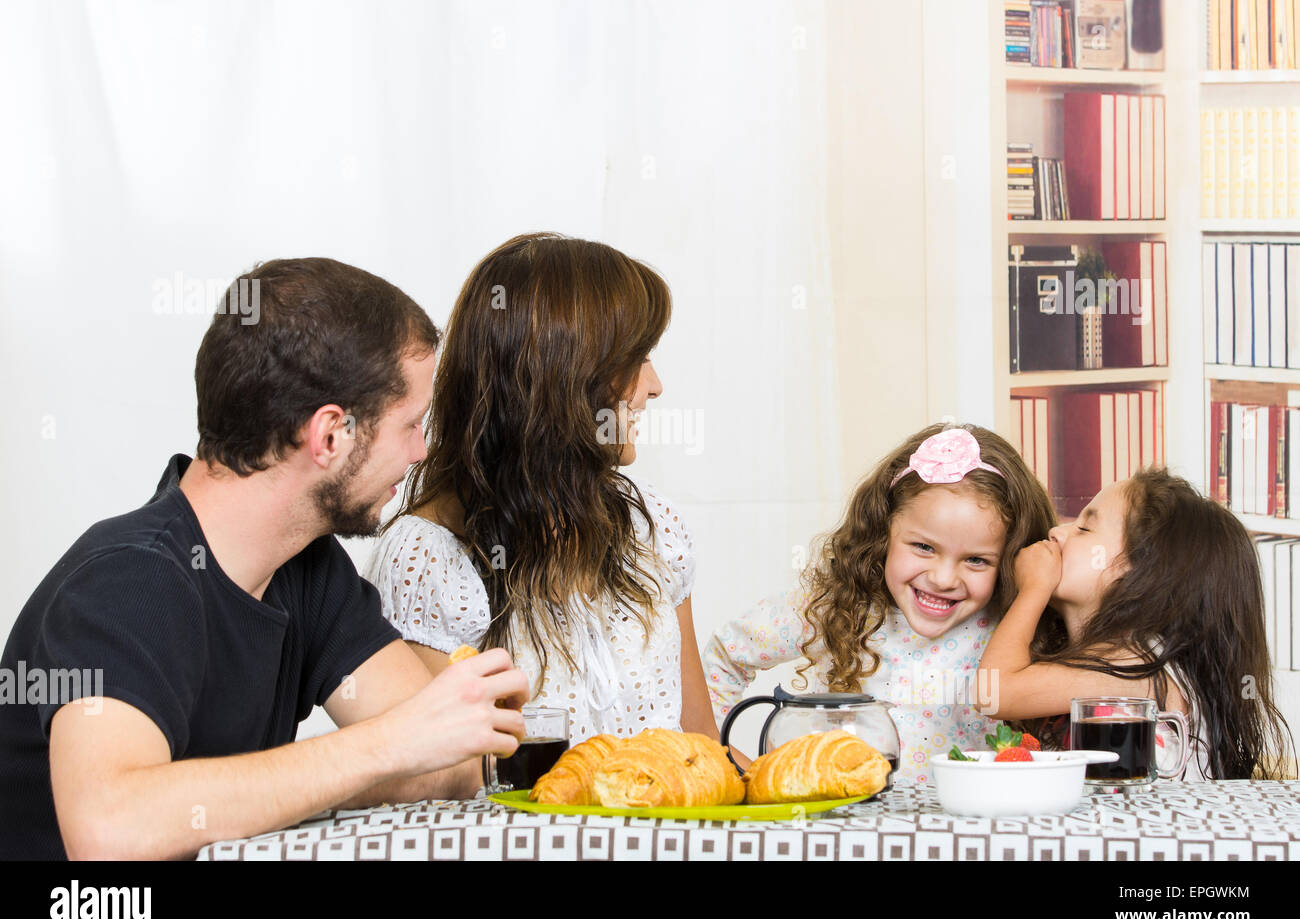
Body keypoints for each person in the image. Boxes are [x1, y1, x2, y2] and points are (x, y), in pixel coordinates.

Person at [0, 258, 529, 860]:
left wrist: (436, 738)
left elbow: (446, 759)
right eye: (411, 424)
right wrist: (387, 746)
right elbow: (110, 834)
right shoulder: (128, 581)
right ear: (330, 436)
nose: (421, 450)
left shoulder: (307, 569)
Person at [365, 232, 713, 743]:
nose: (654, 384)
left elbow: (700, 742)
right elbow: (448, 781)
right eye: (635, 357)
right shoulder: (427, 560)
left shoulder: (650, 526)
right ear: (564, 374)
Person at [703, 423, 1058, 784]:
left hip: (968, 835)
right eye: (924, 547)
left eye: (976, 560)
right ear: (882, 531)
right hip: (842, 832)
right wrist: (737, 771)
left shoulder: (1013, 628)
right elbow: (723, 656)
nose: (944, 578)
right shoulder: (838, 606)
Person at [979, 467, 1294, 780]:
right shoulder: (1124, 660)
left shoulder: (1141, 666)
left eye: (1084, 528)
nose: (1057, 532)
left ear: (1144, 573)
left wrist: (1033, 589)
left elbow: (993, 693)